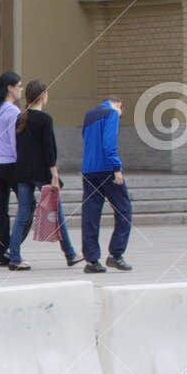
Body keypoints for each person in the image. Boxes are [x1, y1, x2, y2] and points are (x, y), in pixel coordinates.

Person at [5, 80, 79, 270]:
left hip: (22, 171)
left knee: (22, 215)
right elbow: (49, 149)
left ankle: (14, 257)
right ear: (43, 95)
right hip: (42, 172)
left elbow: (17, 147)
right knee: (57, 213)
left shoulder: (20, 118)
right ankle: (70, 254)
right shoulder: (45, 119)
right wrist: (54, 174)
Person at [80, 96, 133, 273]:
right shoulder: (112, 113)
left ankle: (92, 261)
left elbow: (86, 139)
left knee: (91, 215)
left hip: (89, 170)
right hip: (107, 170)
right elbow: (109, 143)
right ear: (119, 105)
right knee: (124, 210)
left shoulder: (89, 115)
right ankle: (116, 254)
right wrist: (116, 167)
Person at [0, 70, 23, 267]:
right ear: (10, 88)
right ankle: (12, 247)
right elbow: (14, 140)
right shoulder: (13, 112)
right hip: (10, 164)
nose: (21, 90)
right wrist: (21, 163)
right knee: (28, 205)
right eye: (19, 86)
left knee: (0, 209)